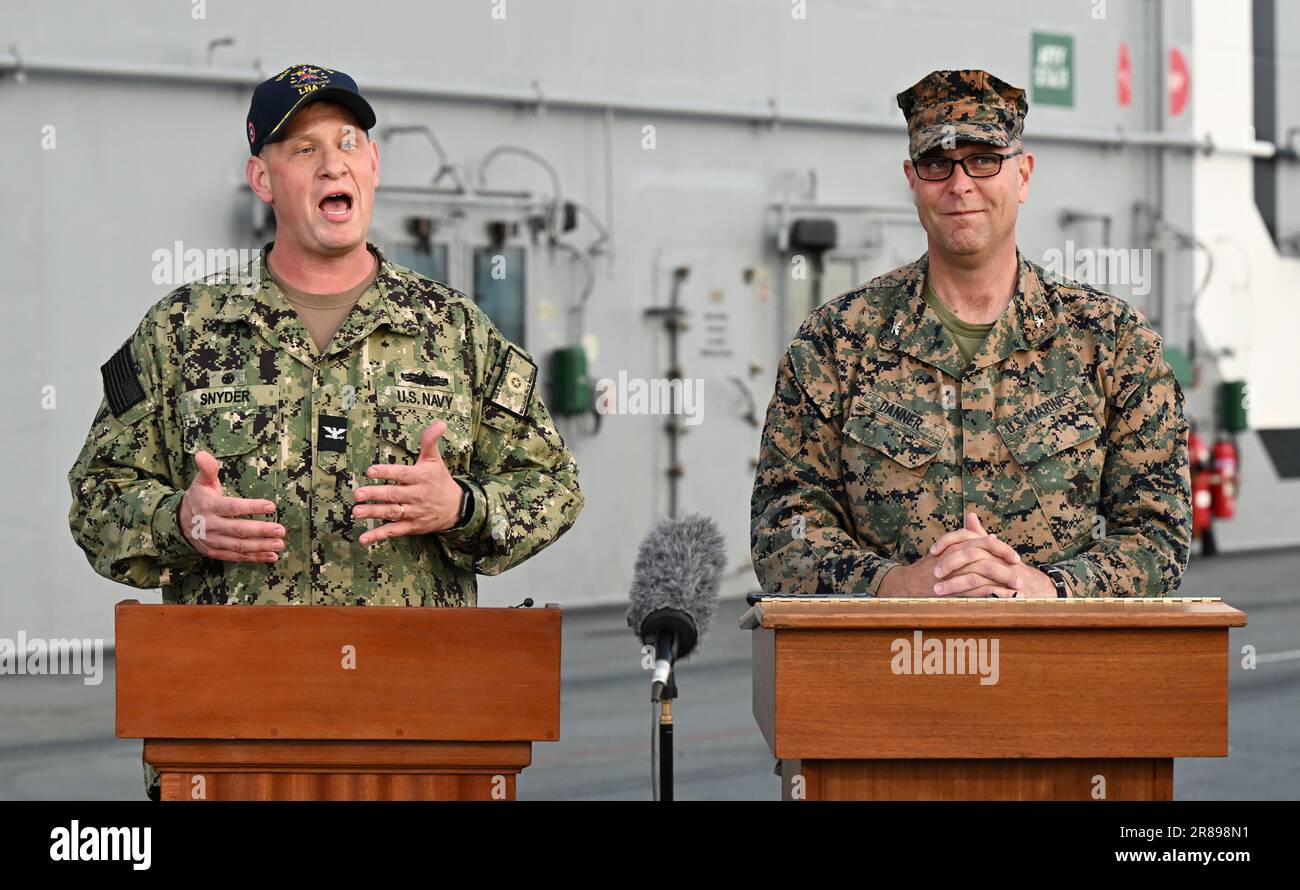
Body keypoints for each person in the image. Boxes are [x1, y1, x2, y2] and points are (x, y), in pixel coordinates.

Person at [67, 64, 585, 797]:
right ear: (262, 177)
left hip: (417, 732)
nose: (333, 161)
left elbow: (554, 485)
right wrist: (178, 519)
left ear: (373, 165)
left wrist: (462, 508)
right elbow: (95, 498)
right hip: (230, 730)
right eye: (303, 148)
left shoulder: (452, 331)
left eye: (348, 141)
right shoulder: (183, 332)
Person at [751, 69, 1191, 601]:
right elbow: (784, 528)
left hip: (1059, 669)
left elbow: (1157, 534)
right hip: (890, 670)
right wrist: (895, 585)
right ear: (913, 180)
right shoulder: (835, 343)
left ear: (1023, 176)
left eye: (984, 160)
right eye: (938, 164)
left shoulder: (1113, 342)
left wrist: (1049, 588)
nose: (960, 186)